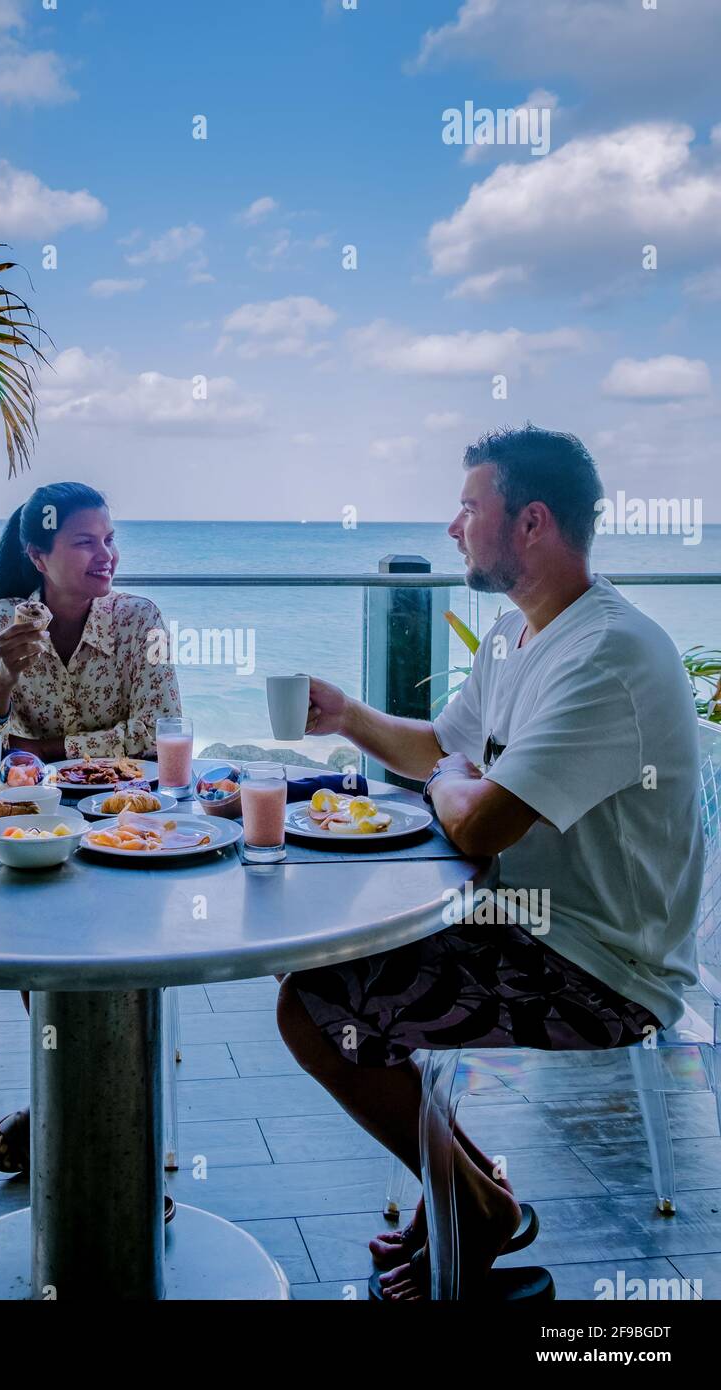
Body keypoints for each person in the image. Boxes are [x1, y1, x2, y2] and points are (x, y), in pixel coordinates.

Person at [278, 425, 703, 1300]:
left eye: (470, 508)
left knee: (316, 1011)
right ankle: (475, 1201)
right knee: (319, 966)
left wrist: (452, 780)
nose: (452, 527)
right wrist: (350, 715)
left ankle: (473, 1211)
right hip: (523, 925)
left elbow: (479, 828)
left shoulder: (608, 654)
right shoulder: (521, 635)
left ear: (532, 523)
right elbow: (443, 747)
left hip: (601, 965)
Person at [0, 482, 182, 1175]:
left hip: (129, 830)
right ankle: (100, 1125)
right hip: (34, 836)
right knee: (42, 929)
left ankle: (65, 1116)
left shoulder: (143, 621)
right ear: (37, 554)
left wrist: (42, 753)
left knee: (108, 942)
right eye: (85, 541)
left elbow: (157, 735)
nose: (106, 555)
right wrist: (0, 685)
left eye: (110, 539)